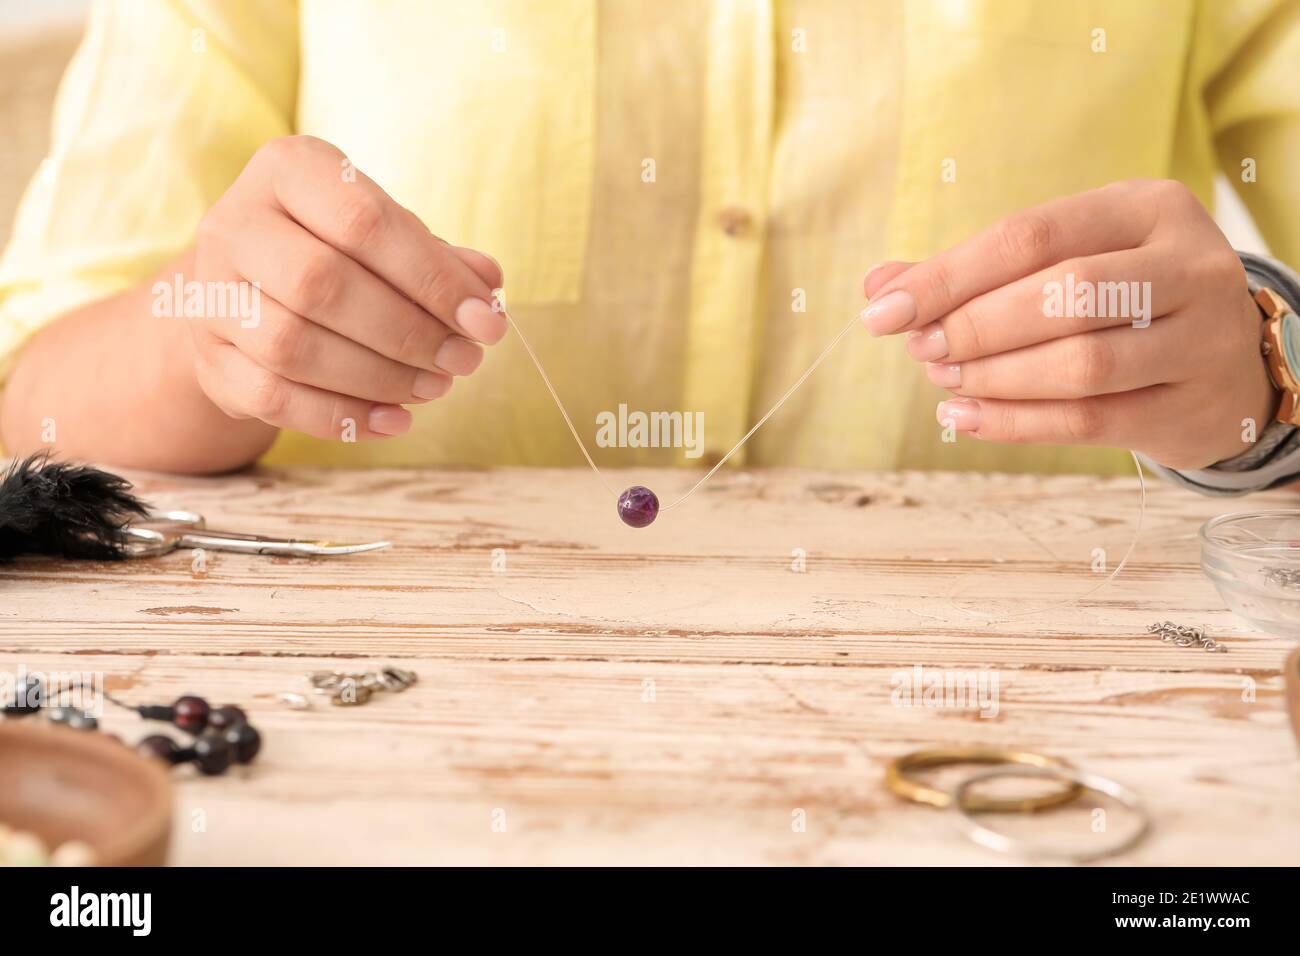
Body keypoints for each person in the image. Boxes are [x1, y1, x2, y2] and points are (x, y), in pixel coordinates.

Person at [1, 0, 1298, 497]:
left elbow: (1274, 367)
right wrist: (212, 340)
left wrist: (1265, 380)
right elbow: (30, 405)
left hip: (1052, 741)